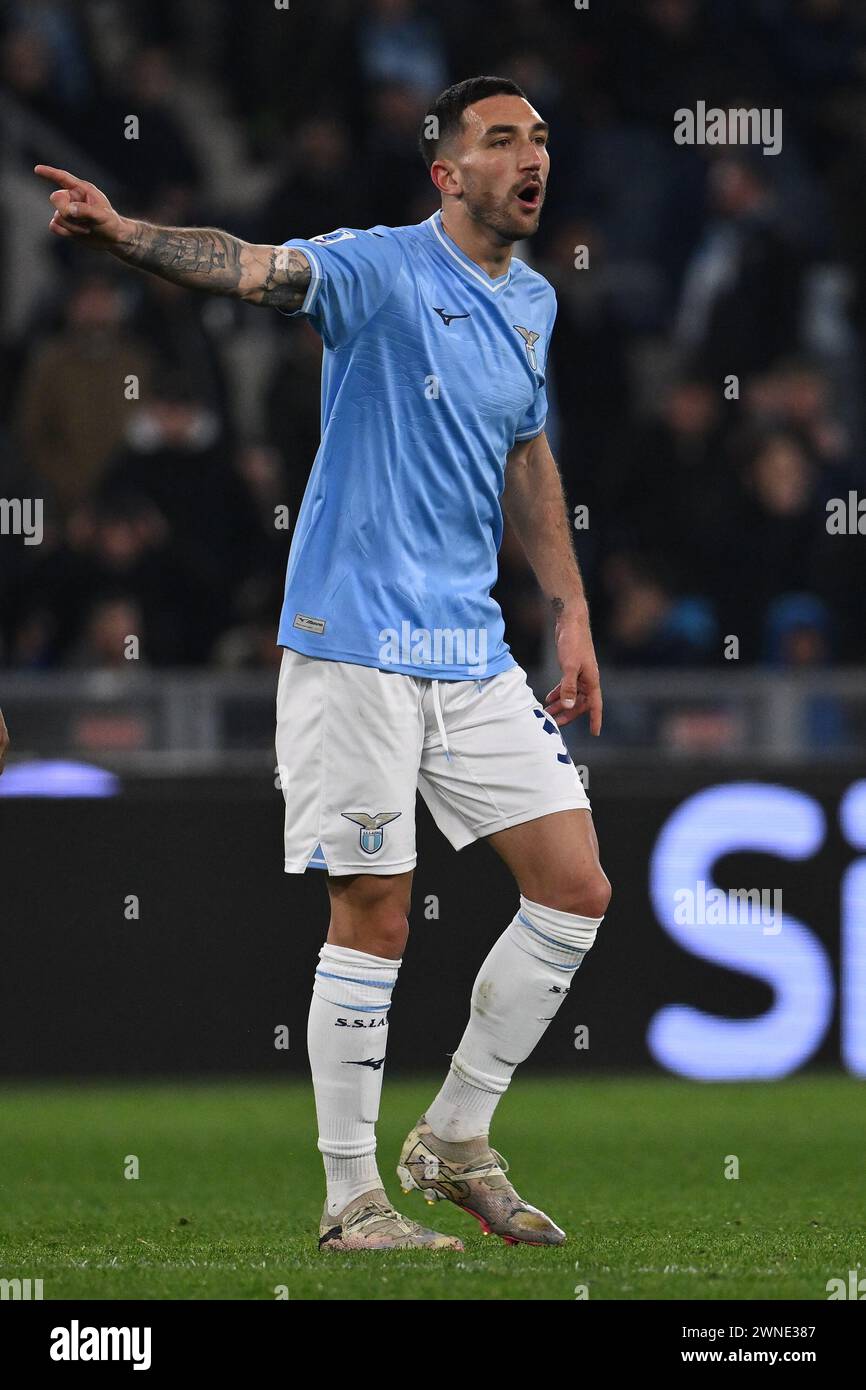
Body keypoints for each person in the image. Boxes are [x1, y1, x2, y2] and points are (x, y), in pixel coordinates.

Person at [34, 73, 611, 1254]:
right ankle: (351, 1198)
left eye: (538, 138)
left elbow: (525, 456)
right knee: (376, 909)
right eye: (501, 140)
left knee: (574, 884)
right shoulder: (380, 265)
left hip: (468, 648)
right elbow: (249, 267)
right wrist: (123, 234)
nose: (529, 156)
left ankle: (452, 1139)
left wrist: (570, 606)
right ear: (446, 172)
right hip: (353, 640)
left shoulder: (536, 303)